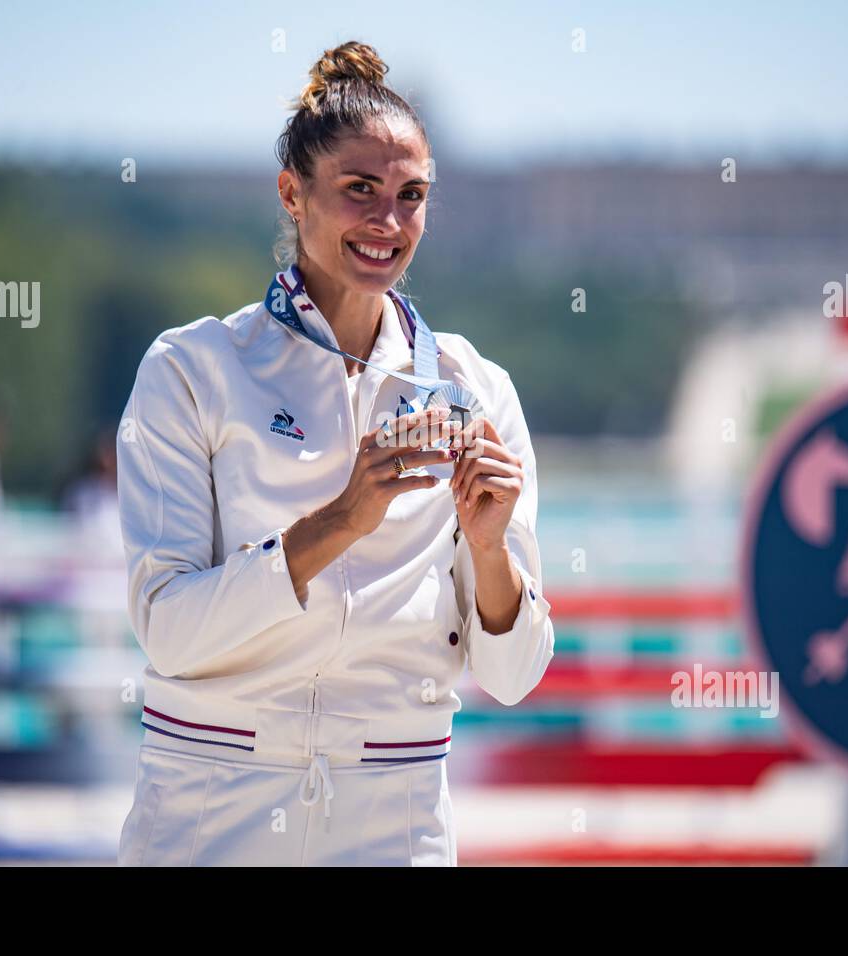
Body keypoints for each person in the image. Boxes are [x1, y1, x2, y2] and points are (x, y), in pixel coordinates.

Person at [115, 41, 554, 866]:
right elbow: (168, 631)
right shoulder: (192, 369)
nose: (388, 223)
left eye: (411, 196)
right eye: (361, 190)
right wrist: (343, 520)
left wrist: (491, 554)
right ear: (293, 194)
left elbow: (515, 673)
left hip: (397, 819)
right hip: (214, 809)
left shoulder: (476, 388)